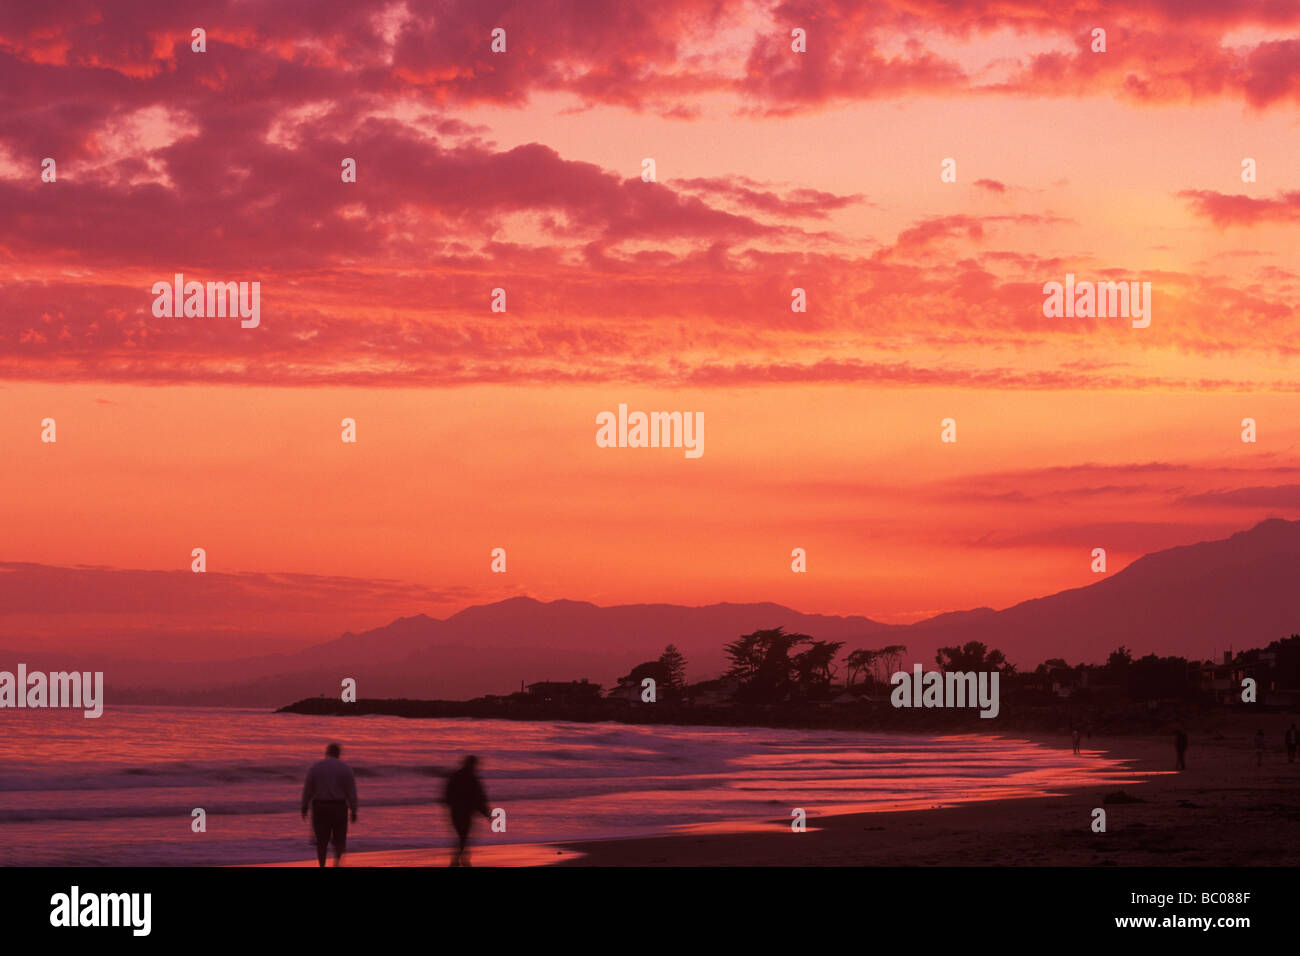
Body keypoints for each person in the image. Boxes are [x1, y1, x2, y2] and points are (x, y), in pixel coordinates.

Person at [301, 743, 358, 867]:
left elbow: (308, 789)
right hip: (339, 807)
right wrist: (354, 810)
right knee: (339, 840)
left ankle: (322, 865)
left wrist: (304, 806)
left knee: (321, 841)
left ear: (327, 752)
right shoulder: (345, 768)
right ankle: (336, 864)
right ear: (338, 753)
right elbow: (351, 791)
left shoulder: (316, 767)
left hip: (320, 806)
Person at [444, 755, 491, 867]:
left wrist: (451, 805)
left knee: (462, 836)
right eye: (475, 764)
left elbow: (447, 794)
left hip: (455, 811)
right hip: (465, 812)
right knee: (463, 836)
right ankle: (459, 860)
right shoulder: (472, 778)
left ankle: (459, 860)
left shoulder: (455, 775)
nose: (476, 767)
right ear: (472, 764)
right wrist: (486, 813)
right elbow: (479, 797)